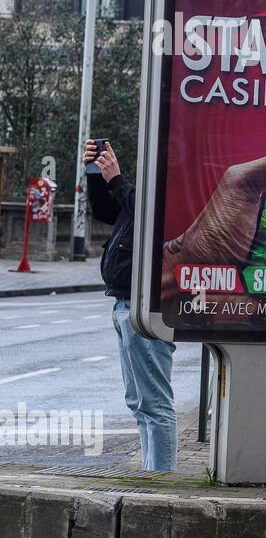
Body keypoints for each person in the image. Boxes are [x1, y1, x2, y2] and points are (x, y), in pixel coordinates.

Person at [85, 138, 178, 472]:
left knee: (155, 404)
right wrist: (96, 177)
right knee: (140, 404)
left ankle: (162, 480)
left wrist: (116, 180)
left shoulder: (170, 189)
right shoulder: (144, 190)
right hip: (126, 304)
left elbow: (150, 218)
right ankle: (151, 474)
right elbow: (108, 211)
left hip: (146, 307)